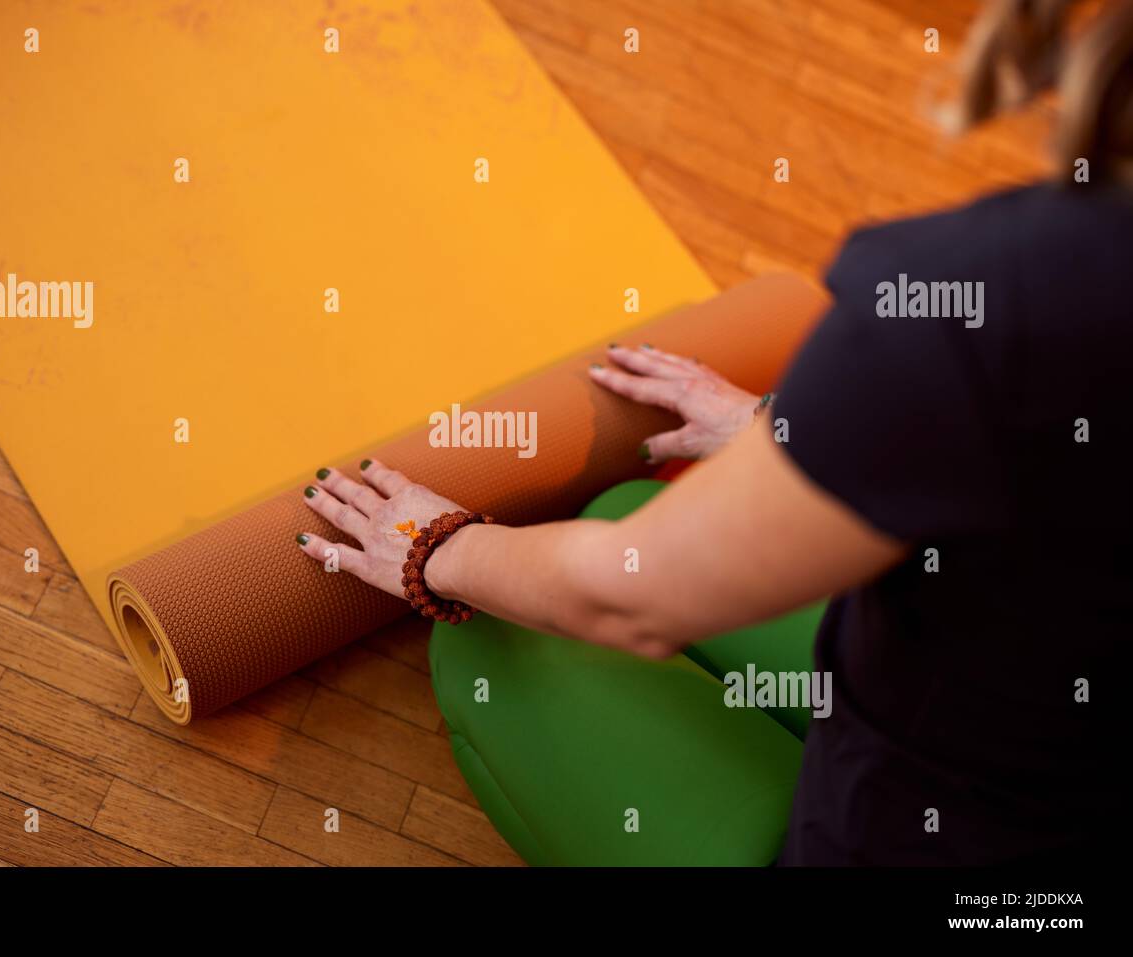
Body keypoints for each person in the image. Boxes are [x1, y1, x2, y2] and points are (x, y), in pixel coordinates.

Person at [296, 0, 1129, 865]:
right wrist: (790, 431)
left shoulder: (991, 305)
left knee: (486, 643)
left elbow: (627, 596)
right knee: (618, 510)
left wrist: (435, 548)